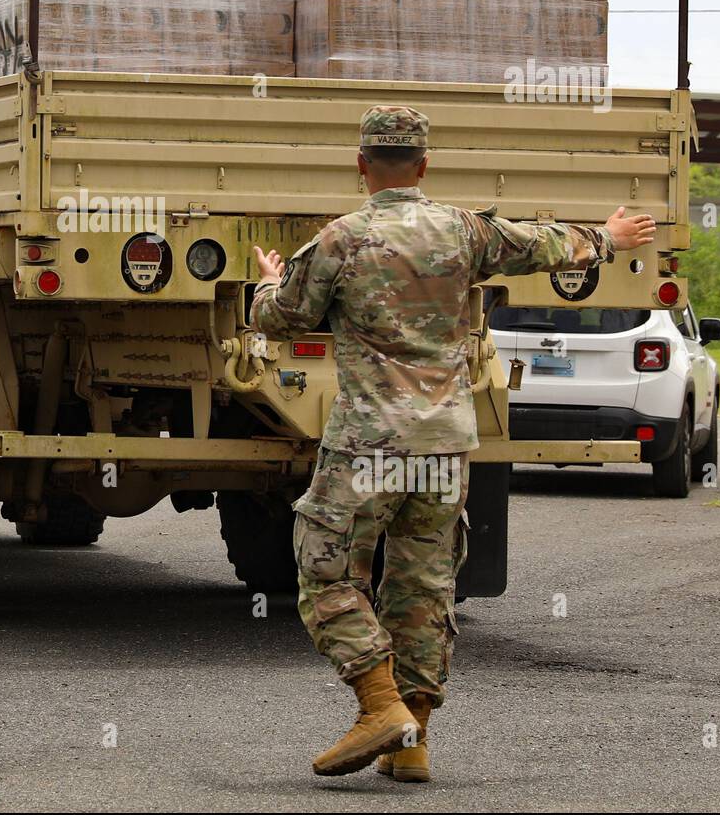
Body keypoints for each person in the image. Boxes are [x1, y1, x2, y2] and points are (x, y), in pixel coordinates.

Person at [249, 104, 656, 780]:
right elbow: (540, 243)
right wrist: (608, 236)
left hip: (368, 445)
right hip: (444, 446)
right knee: (423, 587)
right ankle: (413, 744)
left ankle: (380, 707)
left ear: (361, 166)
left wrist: (270, 280)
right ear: (424, 165)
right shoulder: (462, 230)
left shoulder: (339, 240)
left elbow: (281, 316)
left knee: (325, 570)